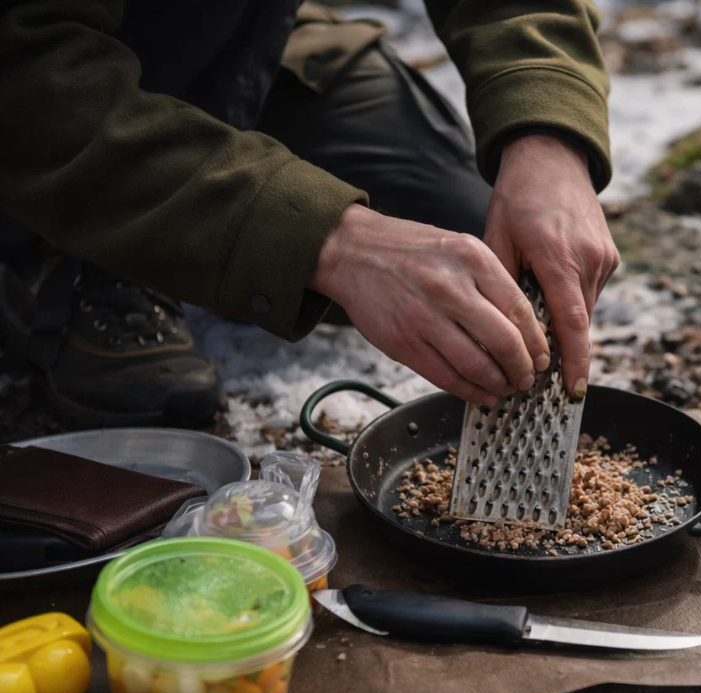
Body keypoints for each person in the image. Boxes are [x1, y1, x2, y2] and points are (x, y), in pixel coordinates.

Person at [0, 0, 619, 427]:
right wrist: (335, 242)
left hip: (249, 41)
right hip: (58, 89)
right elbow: (27, 85)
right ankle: (54, 254)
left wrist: (547, 132)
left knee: (475, 247)